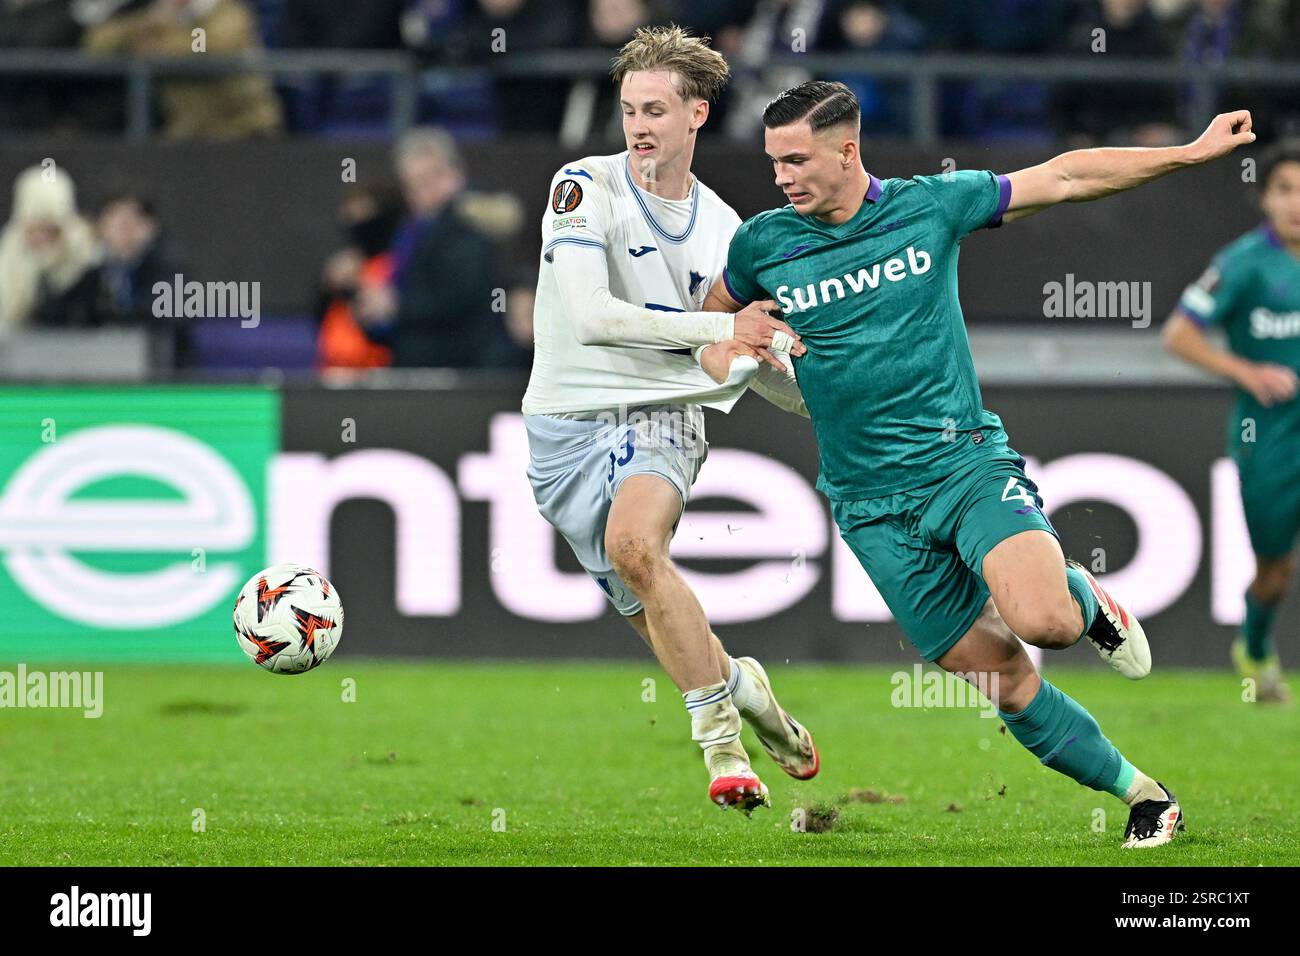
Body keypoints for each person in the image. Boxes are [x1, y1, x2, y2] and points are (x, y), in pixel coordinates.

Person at [700, 79, 1255, 846]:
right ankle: (1145, 797)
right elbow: (707, 322)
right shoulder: (762, 243)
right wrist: (736, 336)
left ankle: (1080, 594)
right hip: (868, 505)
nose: (781, 177)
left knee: (1045, 623)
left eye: (796, 160)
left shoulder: (930, 206)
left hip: (962, 465)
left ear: (847, 151)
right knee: (1006, 681)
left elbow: (1065, 176)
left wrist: (1188, 153)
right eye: (773, 162)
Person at [522, 25, 817, 814]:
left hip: (662, 415)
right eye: (629, 110)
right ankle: (746, 690)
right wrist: (724, 328)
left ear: (697, 114)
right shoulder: (583, 187)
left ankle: (722, 749)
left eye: (655, 110)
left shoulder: (727, 231)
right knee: (653, 609)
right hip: (561, 430)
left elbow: (739, 362)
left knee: (635, 547)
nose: (639, 126)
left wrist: (788, 373)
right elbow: (591, 317)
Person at [1161, 140, 1300, 704]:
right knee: (1275, 571)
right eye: (1285, 190)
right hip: (1269, 437)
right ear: (1264, 198)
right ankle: (1256, 648)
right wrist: (1248, 371)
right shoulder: (1242, 263)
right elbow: (1178, 335)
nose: (1296, 203)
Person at [0, 164, 100, 335]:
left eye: (49, 230)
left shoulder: (84, 263)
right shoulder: (10, 257)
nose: (41, 237)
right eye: (34, 229)